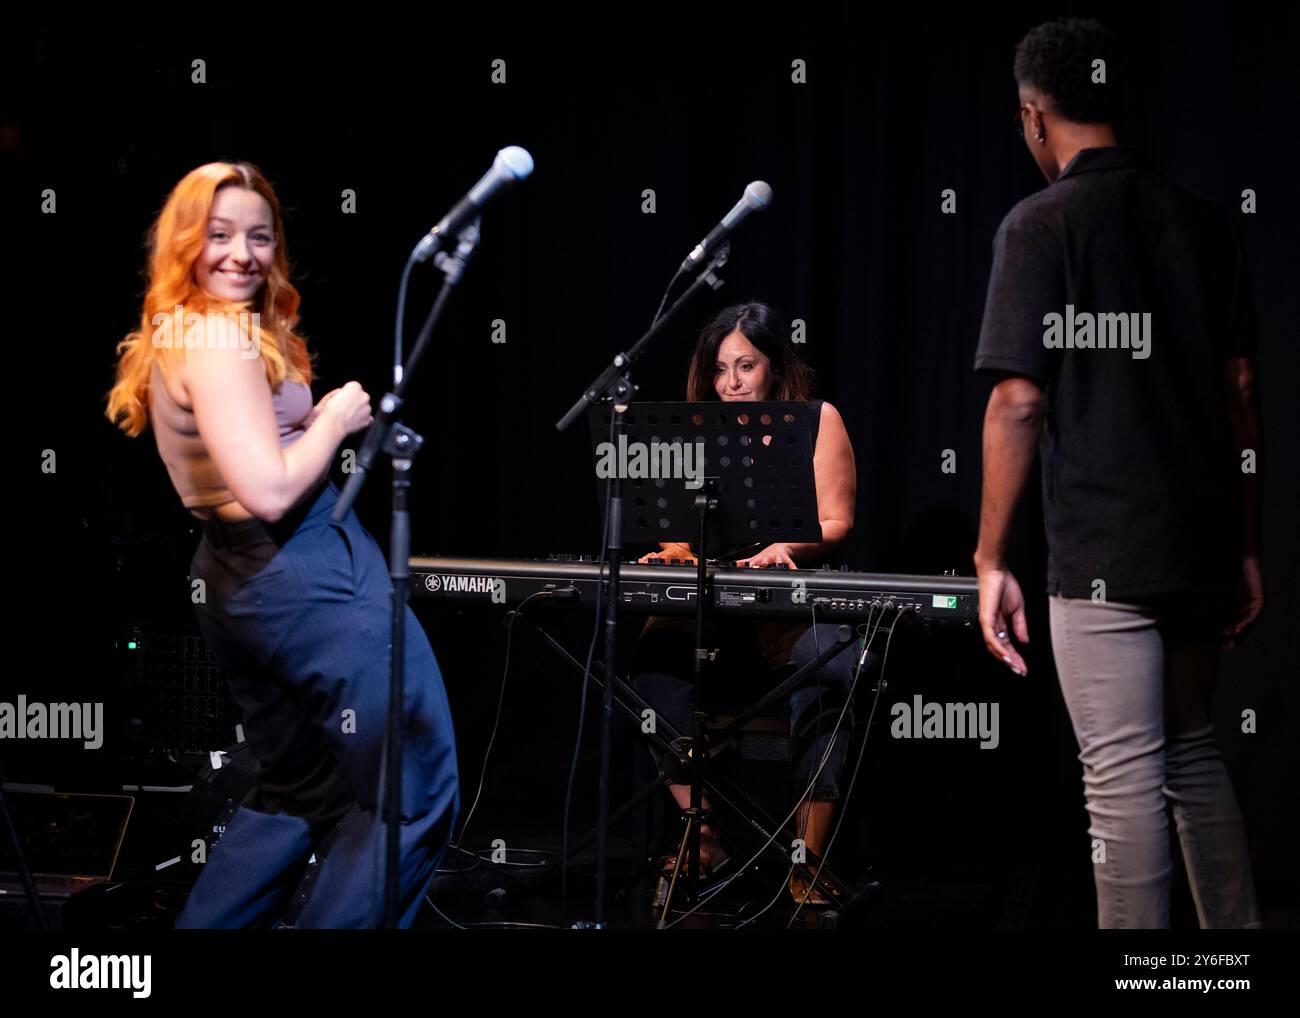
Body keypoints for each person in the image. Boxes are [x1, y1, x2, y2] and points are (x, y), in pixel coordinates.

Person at [105, 162, 459, 928]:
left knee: (299, 791)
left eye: (259, 236)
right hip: (301, 565)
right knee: (412, 785)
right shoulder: (218, 339)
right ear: (185, 242)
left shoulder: (180, 329)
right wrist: (335, 418)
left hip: (240, 578)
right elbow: (268, 488)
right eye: (220, 234)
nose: (242, 253)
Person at [973, 19, 1262, 928]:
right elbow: (1240, 390)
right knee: (1193, 753)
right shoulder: (1204, 223)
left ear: (1032, 116)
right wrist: (1246, 545)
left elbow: (1018, 402)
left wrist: (989, 559)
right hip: (1200, 546)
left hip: (1105, 550)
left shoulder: (1038, 224)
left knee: (1124, 778)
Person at [631, 302, 860, 906]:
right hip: (720, 608)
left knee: (829, 662)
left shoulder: (816, 419)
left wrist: (785, 544)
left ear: (774, 367)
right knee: (654, 655)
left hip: (790, 606)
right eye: (721, 370)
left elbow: (837, 522)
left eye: (746, 366)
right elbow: (677, 525)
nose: (732, 383)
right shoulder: (698, 430)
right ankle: (703, 833)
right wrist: (676, 551)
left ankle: (806, 861)